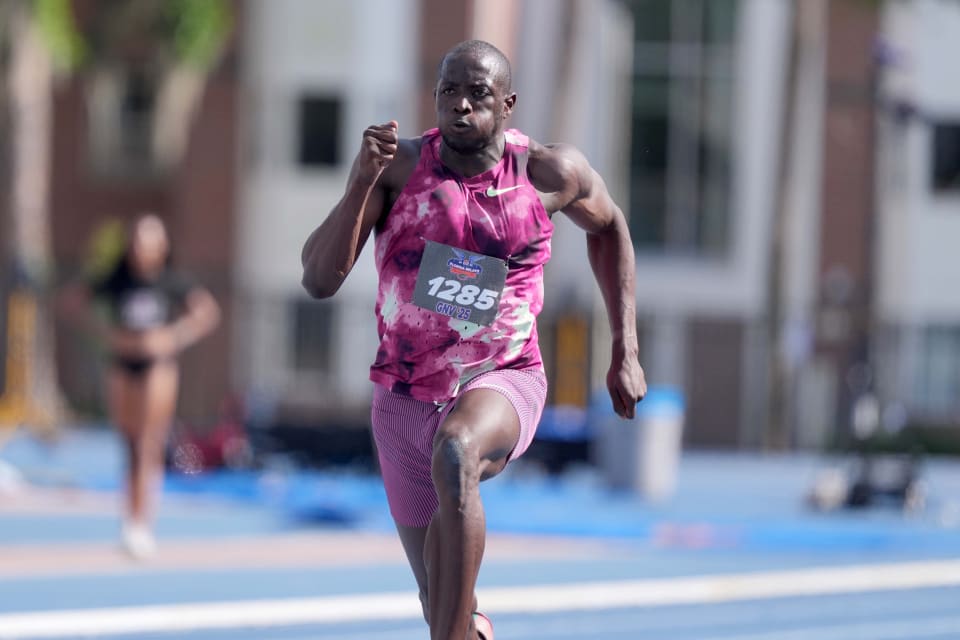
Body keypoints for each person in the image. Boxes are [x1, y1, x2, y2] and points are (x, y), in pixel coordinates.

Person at [301, 40, 646, 640]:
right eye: (448, 92)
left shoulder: (548, 173)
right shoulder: (400, 171)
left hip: (503, 376)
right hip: (404, 395)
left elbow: (610, 226)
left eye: (478, 94)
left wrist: (626, 348)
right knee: (442, 599)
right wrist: (361, 180)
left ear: (508, 104)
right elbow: (318, 280)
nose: (461, 106)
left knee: (457, 450)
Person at [63, 213, 221, 558]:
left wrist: (171, 337)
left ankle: (143, 522)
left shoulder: (172, 281)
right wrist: (110, 337)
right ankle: (128, 519)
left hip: (157, 366)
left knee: (150, 442)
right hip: (123, 364)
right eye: (136, 241)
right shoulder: (117, 279)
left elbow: (206, 312)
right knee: (129, 443)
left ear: (161, 247)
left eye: (148, 242)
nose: (141, 249)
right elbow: (74, 302)